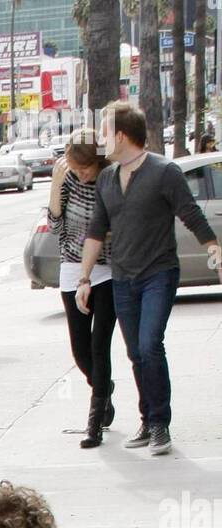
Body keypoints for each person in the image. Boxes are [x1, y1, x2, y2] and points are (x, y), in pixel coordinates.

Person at [76, 101, 222, 456]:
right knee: (135, 352)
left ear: (122, 135)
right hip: (122, 277)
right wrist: (83, 278)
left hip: (159, 272)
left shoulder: (163, 171)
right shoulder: (108, 178)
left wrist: (214, 246)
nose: (102, 140)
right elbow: (96, 231)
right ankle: (147, 418)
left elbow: (189, 212)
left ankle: (160, 424)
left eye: (106, 132)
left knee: (149, 344)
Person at [47, 129, 117, 448]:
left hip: (107, 269)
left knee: (100, 344)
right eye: (75, 169)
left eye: (85, 169)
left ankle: (95, 423)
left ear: (97, 162)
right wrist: (55, 187)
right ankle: (103, 389)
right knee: (80, 349)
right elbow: (55, 228)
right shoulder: (68, 180)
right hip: (72, 267)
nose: (81, 174)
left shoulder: (109, 180)